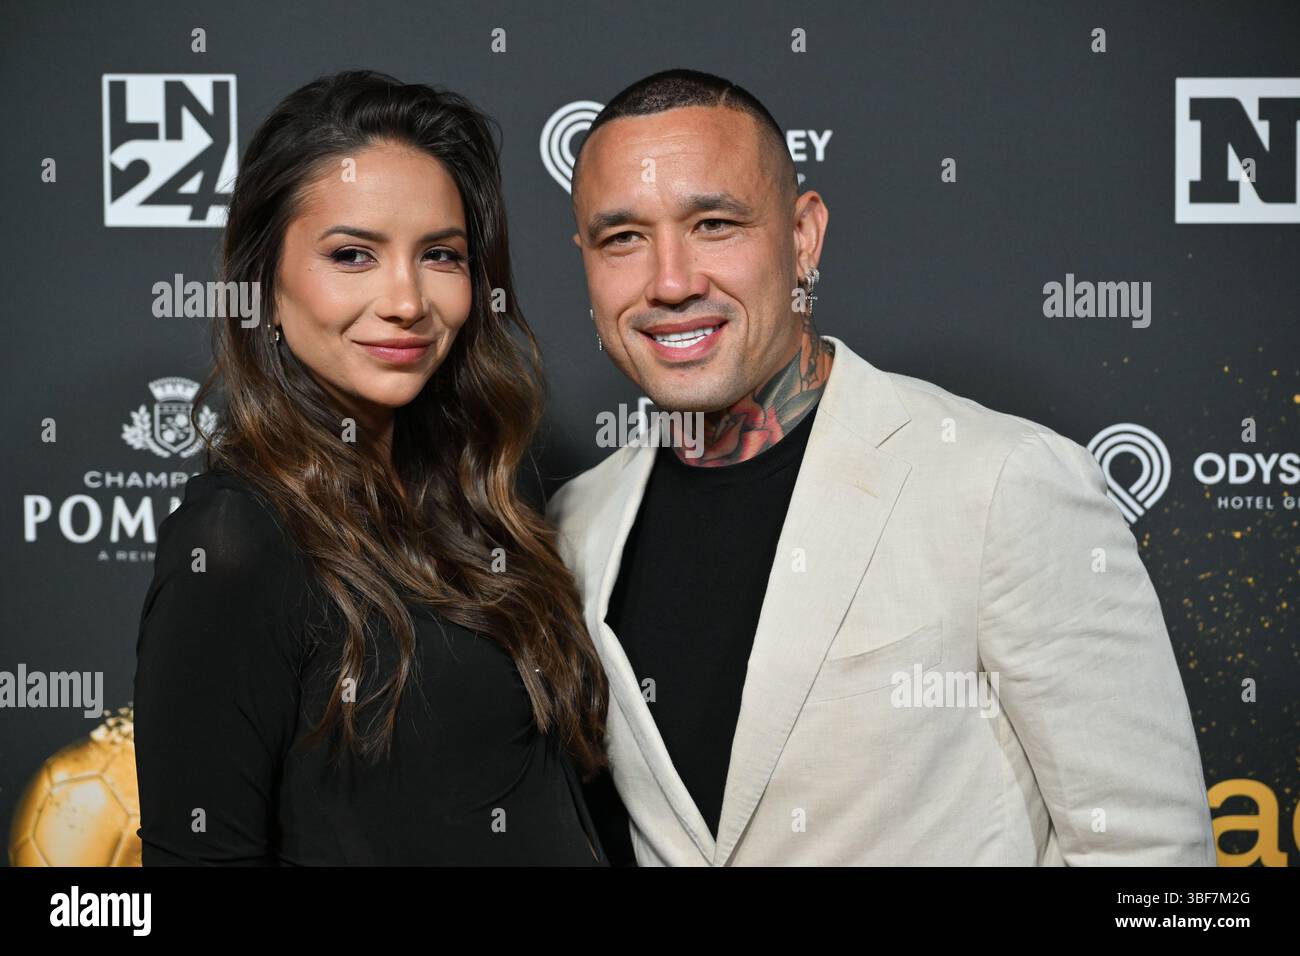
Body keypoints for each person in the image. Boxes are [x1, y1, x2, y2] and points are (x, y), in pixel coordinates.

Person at [548, 68, 1217, 866]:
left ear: (803, 237)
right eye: (623, 238)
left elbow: (1154, 858)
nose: (670, 281)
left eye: (715, 225)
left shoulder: (1003, 481)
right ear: (586, 261)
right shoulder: (574, 525)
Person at [133, 70, 609, 865]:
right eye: (352, 254)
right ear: (266, 288)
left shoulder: (477, 498)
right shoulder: (236, 537)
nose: (406, 299)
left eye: (441, 256)